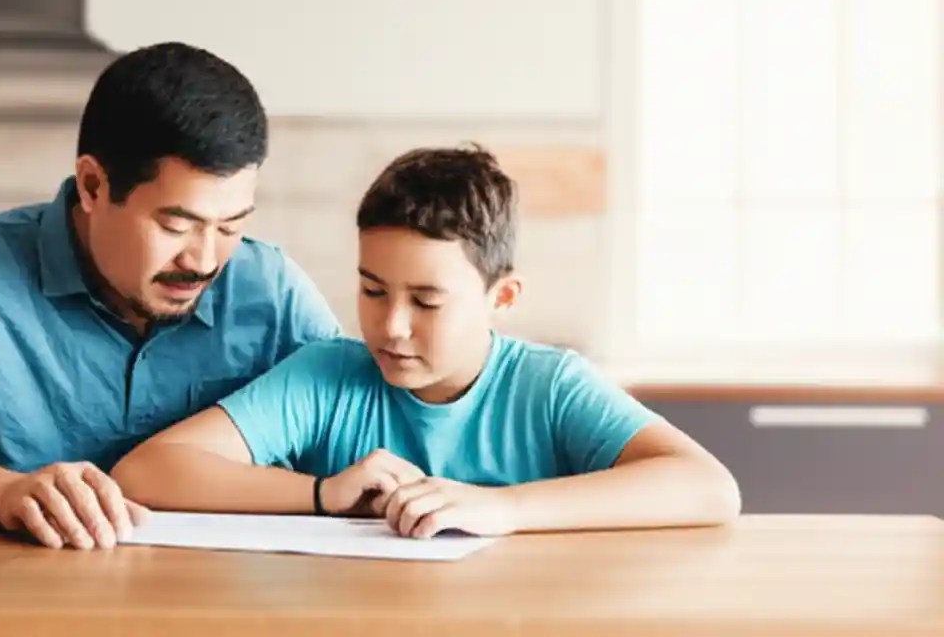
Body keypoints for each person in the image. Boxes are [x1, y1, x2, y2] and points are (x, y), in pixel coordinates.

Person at [0, 42, 340, 549]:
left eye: (230, 226)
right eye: (176, 225)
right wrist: (6, 494)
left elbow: (369, 435)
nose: (204, 261)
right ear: (93, 185)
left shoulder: (270, 290)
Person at [112, 146, 740, 538]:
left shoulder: (549, 386)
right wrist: (322, 495)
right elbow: (144, 472)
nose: (392, 326)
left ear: (502, 297)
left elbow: (708, 486)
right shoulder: (326, 375)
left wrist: (504, 509)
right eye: (373, 290)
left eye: (427, 301)